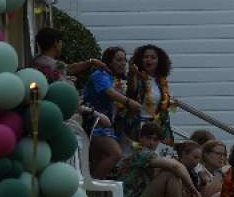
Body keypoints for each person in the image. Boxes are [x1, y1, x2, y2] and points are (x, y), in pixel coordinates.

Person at [109, 121, 201, 197]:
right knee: (170, 173)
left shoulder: (151, 154)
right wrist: (193, 188)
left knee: (173, 175)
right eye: (148, 138)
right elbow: (176, 166)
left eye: (155, 140)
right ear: (140, 138)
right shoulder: (140, 153)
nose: (151, 143)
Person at [82, 47, 140, 179]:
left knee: (99, 160)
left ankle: (96, 194)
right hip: (94, 122)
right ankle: (91, 189)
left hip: (106, 123)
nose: (123, 63)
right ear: (109, 61)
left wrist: (132, 75)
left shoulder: (112, 77)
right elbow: (109, 92)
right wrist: (129, 102)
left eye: (124, 60)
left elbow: (130, 92)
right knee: (115, 154)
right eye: (118, 60)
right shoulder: (100, 74)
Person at [126, 44, 175, 143]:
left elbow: (163, 104)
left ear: (158, 61)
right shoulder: (136, 77)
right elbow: (132, 91)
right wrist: (132, 74)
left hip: (154, 125)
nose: (149, 60)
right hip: (137, 125)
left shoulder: (160, 81)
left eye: (153, 58)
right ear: (140, 60)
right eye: (146, 57)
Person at [30, 27, 101, 85]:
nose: (61, 45)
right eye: (60, 42)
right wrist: (70, 82)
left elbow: (68, 68)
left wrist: (91, 62)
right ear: (55, 43)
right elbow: (68, 72)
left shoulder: (36, 61)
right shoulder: (54, 65)